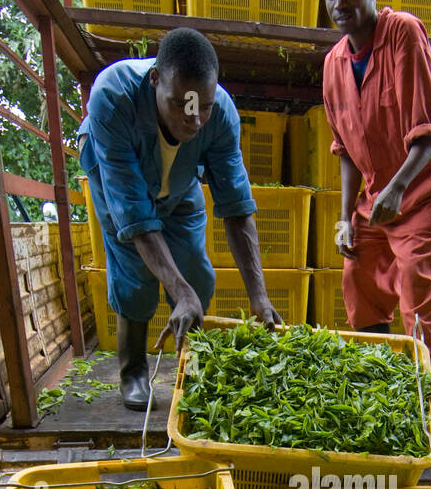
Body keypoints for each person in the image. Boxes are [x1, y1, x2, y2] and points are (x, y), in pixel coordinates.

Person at [78, 28, 280, 410]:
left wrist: (259, 294)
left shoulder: (219, 113)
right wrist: (177, 290)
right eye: (181, 104)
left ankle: (190, 364)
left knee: (196, 273)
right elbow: (135, 214)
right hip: (120, 180)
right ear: (155, 80)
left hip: (180, 180)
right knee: (136, 270)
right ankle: (133, 369)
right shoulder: (112, 98)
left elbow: (236, 204)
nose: (194, 120)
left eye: (202, 106)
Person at [318, 0, 431, 370]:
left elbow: (429, 133)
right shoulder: (333, 64)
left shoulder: (403, 32)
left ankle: (423, 393)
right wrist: (346, 218)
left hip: (422, 187)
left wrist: (399, 188)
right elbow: (345, 149)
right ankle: (375, 378)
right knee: (356, 274)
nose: (339, 2)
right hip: (377, 194)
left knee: (415, 291)